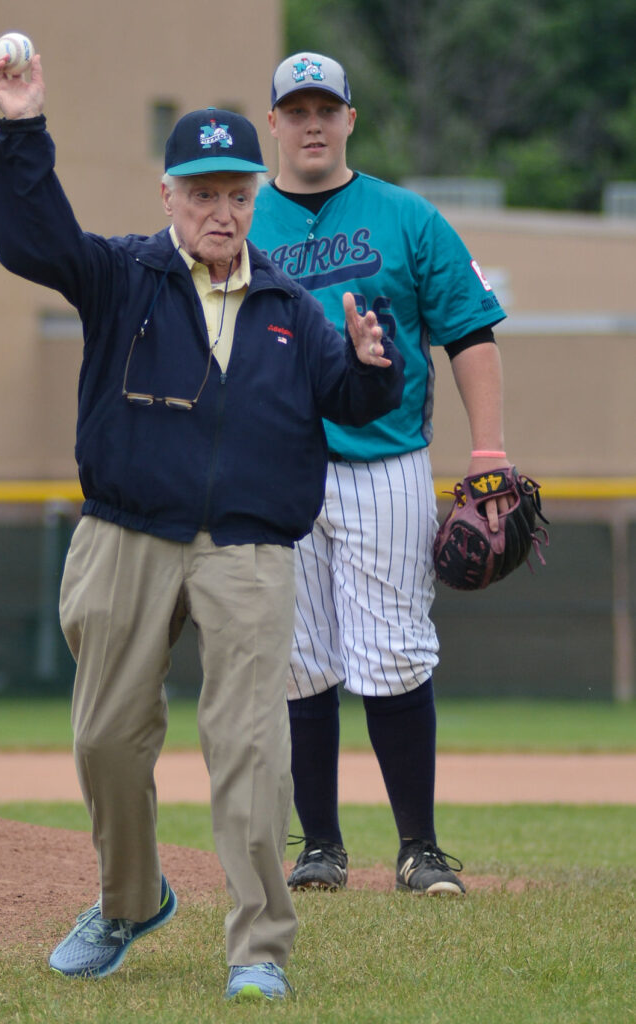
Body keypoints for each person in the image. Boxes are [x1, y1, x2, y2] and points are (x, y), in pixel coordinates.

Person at [0, 52, 405, 1000]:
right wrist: (22, 130)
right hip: (126, 534)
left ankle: (258, 948)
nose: (223, 212)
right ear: (169, 194)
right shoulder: (122, 276)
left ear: (256, 199)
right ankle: (131, 900)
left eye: (238, 195)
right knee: (105, 738)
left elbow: (350, 395)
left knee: (250, 747)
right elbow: (33, 239)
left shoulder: (292, 309)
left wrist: (374, 366)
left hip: (250, 550)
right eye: (204, 193)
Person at [249, 51, 513, 897]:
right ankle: (320, 846)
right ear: (276, 124)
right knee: (299, 660)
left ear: (351, 119)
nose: (313, 123)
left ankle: (420, 848)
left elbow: (470, 332)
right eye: (298, 110)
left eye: (328, 108)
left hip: (384, 462)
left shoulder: (407, 217)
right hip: (276, 468)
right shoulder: (242, 222)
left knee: (395, 653)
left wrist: (489, 453)